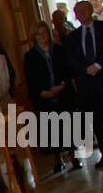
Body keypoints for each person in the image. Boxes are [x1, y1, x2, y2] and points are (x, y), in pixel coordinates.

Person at [65, 0, 103, 169]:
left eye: (84, 11)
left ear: (91, 11)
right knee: (97, 121)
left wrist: (99, 65)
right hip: (87, 85)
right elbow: (72, 59)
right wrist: (86, 68)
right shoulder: (73, 37)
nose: (82, 15)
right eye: (78, 12)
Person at [23, 20, 80, 172]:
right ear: (34, 37)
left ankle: (74, 156)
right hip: (44, 97)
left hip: (63, 93)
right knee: (50, 129)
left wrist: (61, 86)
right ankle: (58, 159)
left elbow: (69, 70)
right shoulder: (30, 56)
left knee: (68, 126)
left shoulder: (60, 50)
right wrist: (44, 92)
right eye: (38, 34)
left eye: (44, 33)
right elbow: (30, 78)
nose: (42, 36)